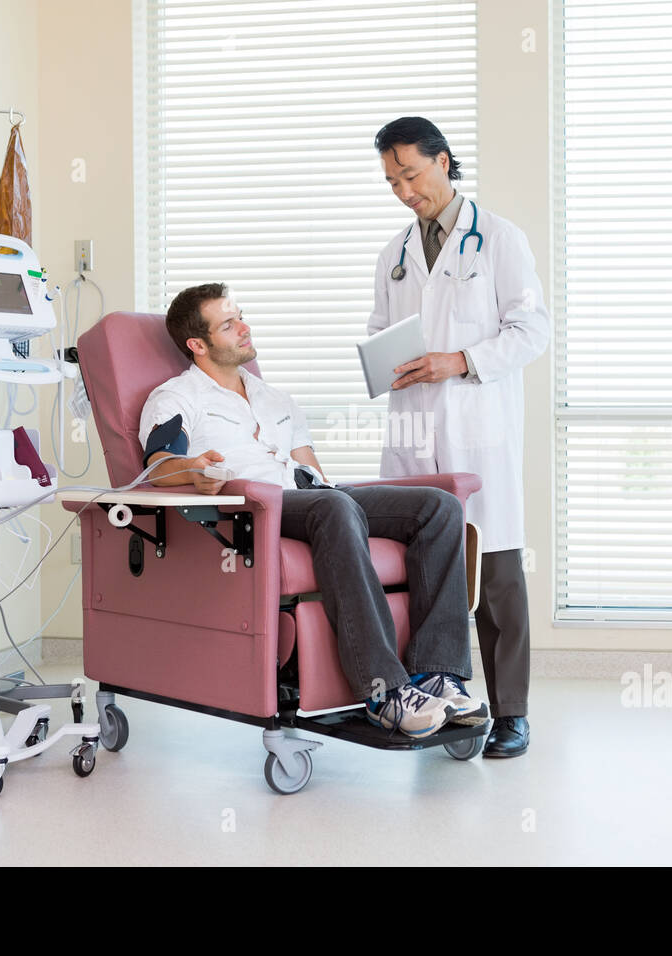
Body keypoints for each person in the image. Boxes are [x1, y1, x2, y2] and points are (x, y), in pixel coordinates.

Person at [137, 282, 488, 739]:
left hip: (314, 497)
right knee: (334, 506)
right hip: (256, 507)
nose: (244, 328)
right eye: (228, 325)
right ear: (197, 345)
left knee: (437, 506)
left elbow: (313, 472)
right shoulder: (177, 397)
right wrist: (194, 471)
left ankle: (437, 674)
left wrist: (340, 502)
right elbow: (158, 464)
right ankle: (385, 692)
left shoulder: (274, 398)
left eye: (241, 316)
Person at [368, 117, 550, 758]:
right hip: (414, 433)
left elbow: (532, 331)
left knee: (496, 576)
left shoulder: (499, 239)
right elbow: (380, 330)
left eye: (411, 175)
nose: (404, 191)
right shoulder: (393, 255)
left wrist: (462, 361)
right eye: (392, 182)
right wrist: (381, 361)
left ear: (443, 161)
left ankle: (512, 715)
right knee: (421, 573)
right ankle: (434, 699)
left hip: (478, 432)